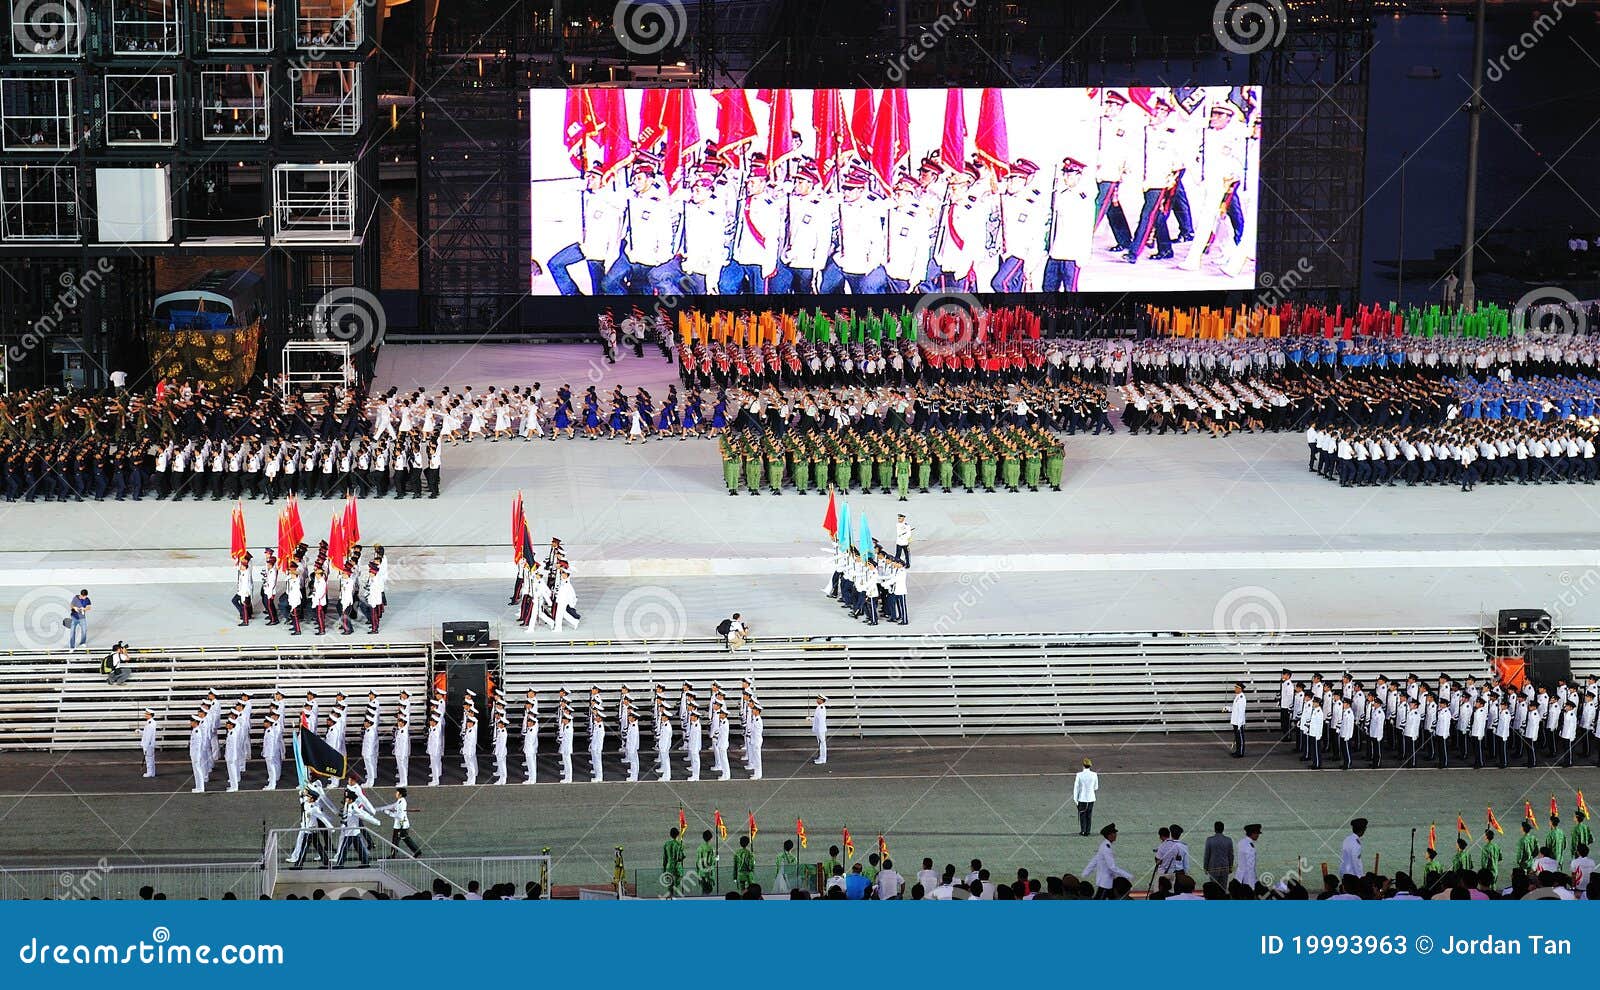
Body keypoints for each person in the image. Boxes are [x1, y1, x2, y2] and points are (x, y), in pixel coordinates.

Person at [1084, 824, 1133, 899]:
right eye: (1114, 833)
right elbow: (1112, 867)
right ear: (1109, 835)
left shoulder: (1105, 845)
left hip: (1108, 879)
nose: (1116, 835)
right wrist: (1127, 875)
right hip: (1105, 881)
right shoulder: (1106, 848)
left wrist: (1086, 871)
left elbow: (1095, 860)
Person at [378, 787, 421, 857]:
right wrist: (384, 808)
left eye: (397, 792)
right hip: (400, 825)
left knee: (400, 840)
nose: (395, 793)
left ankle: (416, 851)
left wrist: (388, 813)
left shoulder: (402, 802)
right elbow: (393, 806)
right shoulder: (400, 801)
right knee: (399, 840)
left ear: (400, 794)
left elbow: (399, 816)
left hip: (401, 825)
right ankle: (394, 854)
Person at [1073, 758, 1099, 836]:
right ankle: (1088, 831)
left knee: (1082, 815)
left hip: (1082, 798)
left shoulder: (1079, 775)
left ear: (1083, 766)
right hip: (1091, 798)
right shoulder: (1094, 774)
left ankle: (1083, 830)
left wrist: (1075, 799)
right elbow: (1096, 787)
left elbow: (1076, 787)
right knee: (1089, 815)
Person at [661, 827, 686, 898]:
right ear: (677, 835)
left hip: (669, 866)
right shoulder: (679, 844)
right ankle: (673, 894)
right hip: (677, 867)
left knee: (669, 884)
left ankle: (670, 895)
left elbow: (664, 858)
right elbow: (681, 857)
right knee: (677, 881)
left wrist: (664, 869)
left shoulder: (666, 844)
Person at [1234, 824, 1261, 888]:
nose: (1258, 835)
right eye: (1257, 833)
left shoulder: (1241, 842)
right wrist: (1253, 882)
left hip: (1239, 875)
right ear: (1252, 834)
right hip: (1247, 878)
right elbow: (1250, 866)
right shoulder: (1250, 846)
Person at [1227, 681, 1247, 757]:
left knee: (1240, 738)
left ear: (1240, 689)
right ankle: (1237, 751)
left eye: (1236, 687)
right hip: (1235, 721)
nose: (1235, 689)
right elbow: (1235, 709)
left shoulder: (1241, 698)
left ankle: (1240, 752)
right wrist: (1228, 708)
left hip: (1239, 722)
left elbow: (1241, 712)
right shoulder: (1237, 697)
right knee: (1237, 738)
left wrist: (1239, 724)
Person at [139, 707, 157, 778]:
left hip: (148, 744)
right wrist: (140, 731)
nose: (145, 715)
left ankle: (149, 773)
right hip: (149, 744)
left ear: (150, 715)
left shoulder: (151, 723)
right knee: (151, 759)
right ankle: (152, 773)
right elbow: (146, 733)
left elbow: (149, 735)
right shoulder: (150, 722)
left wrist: (146, 746)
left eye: (147, 713)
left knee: (149, 759)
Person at [811, 694, 828, 765]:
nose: (817, 700)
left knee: (822, 744)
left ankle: (823, 759)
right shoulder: (819, 707)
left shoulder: (821, 708)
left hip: (820, 729)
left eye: (818, 698)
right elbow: (816, 719)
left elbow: (821, 720)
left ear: (821, 700)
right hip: (819, 728)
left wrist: (819, 729)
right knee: (820, 744)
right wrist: (811, 719)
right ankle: (820, 757)